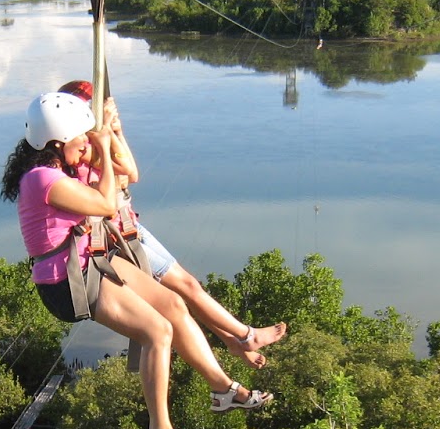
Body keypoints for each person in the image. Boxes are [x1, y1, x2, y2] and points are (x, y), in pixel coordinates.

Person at [1, 92, 272, 429]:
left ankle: (221, 389)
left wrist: (109, 135)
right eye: (81, 137)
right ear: (58, 142)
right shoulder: (43, 179)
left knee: (175, 304)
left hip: (94, 261)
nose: (86, 144)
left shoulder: (57, 170)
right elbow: (106, 204)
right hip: (68, 281)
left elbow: (126, 177)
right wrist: (104, 144)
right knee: (157, 331)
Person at [57, 80, 287, 369]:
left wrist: (115, 130)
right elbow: (131, 172)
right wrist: (107, 135)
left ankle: (235, 339)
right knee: (185, 290)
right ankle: (243, 336)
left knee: (188, 288)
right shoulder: (84, 148)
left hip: (129, 225)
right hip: (119, 235)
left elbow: (125, 176)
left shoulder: (92, 143)